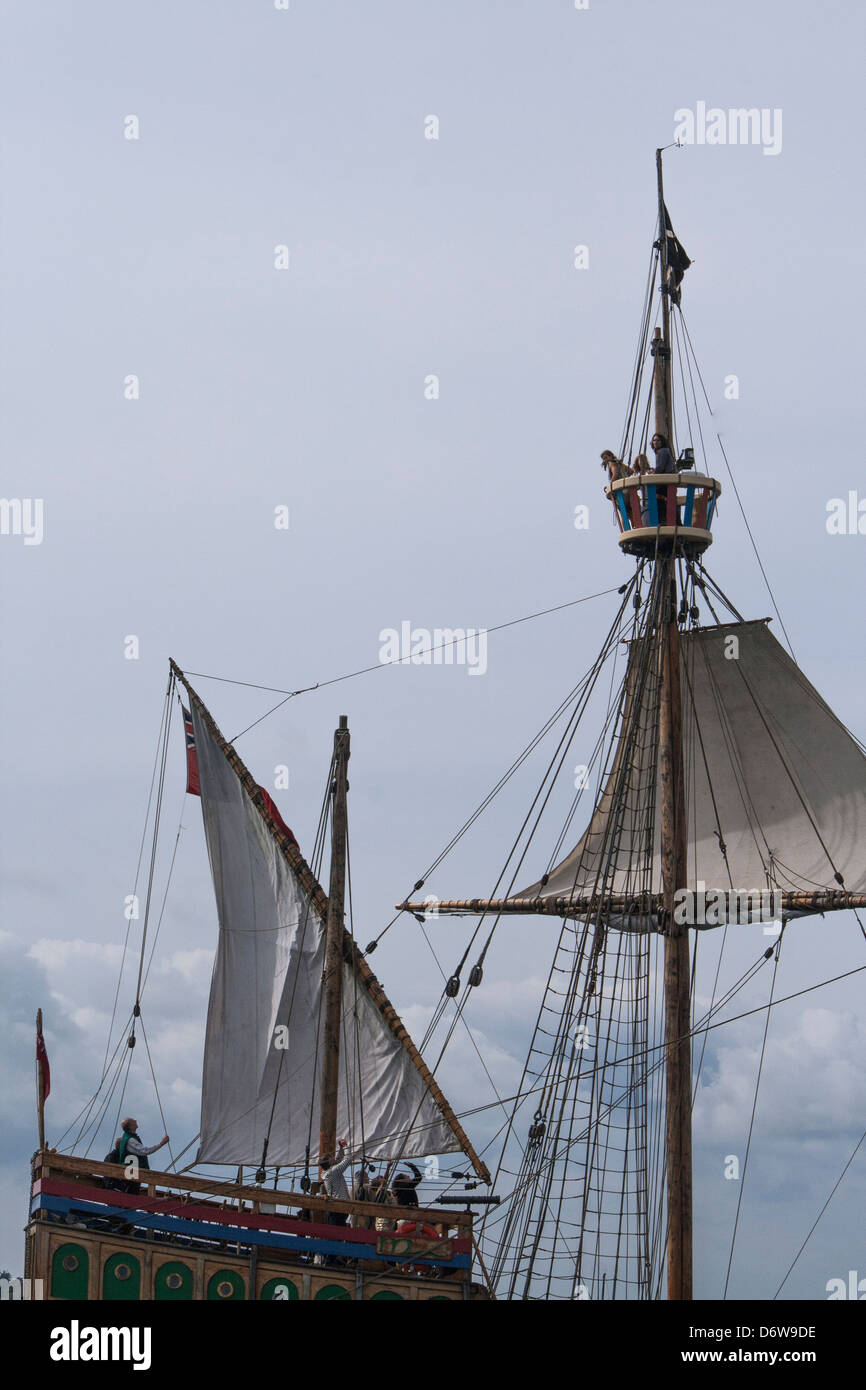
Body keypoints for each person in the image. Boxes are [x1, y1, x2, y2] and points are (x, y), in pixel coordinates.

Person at [319, 1138, 352, 1227]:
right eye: (331, 1158)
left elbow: (338, 1160)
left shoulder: (328, 1172)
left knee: (336, 1234)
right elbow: (348, 1159)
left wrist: (341, 1149)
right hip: (338, 1207)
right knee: (337, 1235)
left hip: (336, 1208)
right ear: (330, 1162)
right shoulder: (333, 1172)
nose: (334, 1158)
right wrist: (345, 1146)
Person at [650, 433, 676, 522]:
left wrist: (653, 474)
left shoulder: (663, 451)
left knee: (659, 500)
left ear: (662, 442)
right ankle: (668, 520)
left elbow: (661, 467)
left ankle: (662, 520)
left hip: (665, 482)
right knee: (669, 501)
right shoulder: (664, 451)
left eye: (658, 440)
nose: (655, 442)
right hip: (668, 481)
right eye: (654, 440)